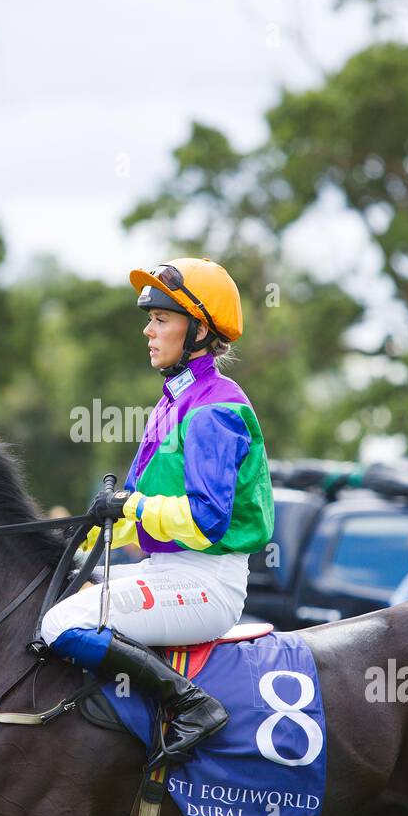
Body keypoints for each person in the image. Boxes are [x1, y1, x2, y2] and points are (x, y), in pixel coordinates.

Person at [38, 258, 275, 770]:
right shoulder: (172, 403)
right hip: (165, 570)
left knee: (62, 623)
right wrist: (69, 540)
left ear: (199, 330)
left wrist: (134, 505)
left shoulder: (215, 407)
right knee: (51, 591)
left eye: (161, 319)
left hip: (208, 583)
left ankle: (190, 704)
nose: (148, 330)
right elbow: (130, 513)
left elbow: (207, 518)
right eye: (150, 319)